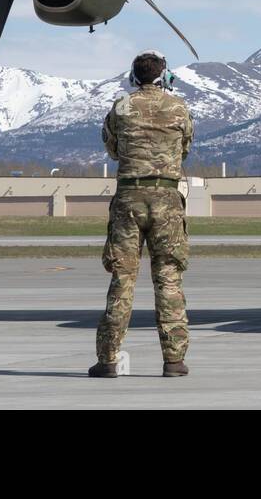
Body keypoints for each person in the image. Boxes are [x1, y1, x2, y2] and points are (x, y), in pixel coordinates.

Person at [89, 49, 195, 378]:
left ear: (134, 77)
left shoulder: (121, 105)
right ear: (164, 77)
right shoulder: (179, 106)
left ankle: (108, 359)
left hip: (129, 198)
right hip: (166, 197)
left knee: (122, 280)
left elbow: (113, 148)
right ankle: (174, 360)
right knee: (168, 279)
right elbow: (186, 147)